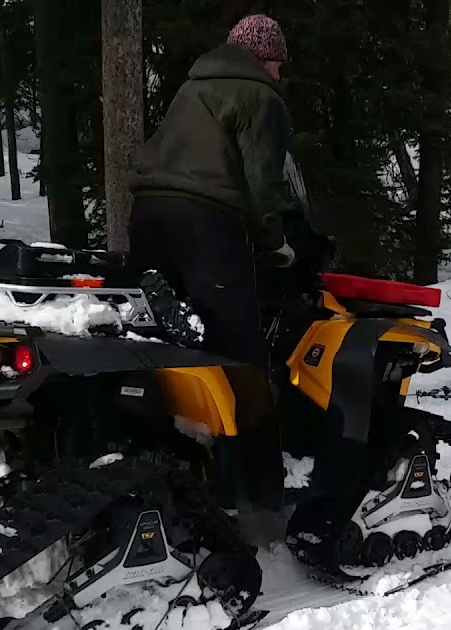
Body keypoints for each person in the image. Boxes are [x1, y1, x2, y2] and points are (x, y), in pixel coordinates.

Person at [127, 14, 296, 511]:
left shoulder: (191, 91)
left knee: (172, 341)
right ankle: (259, 491)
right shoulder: (261, 97)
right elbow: (263, 181)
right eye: (278, 64)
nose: (280, 74)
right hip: (205, 224)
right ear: (263, 59)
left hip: (148, 218)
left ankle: (177, 459)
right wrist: (275, 242)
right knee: (240, 348)